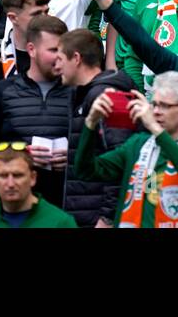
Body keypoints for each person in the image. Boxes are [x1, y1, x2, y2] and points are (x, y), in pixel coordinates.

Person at [76, 71, 178, 228]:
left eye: (165, 106)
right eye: (154, 104)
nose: (156, 111)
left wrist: (156, 130)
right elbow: (85, 170)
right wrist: (91, 123)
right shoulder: (138, 144)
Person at [0, 14, 71, 205]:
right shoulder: (4, 91)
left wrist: (73, 156)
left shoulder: (78, 92)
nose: (60, 57)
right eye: (53, 50)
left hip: (66, 206)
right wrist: (20, 153)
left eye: (64, 50)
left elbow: (96, 151)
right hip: (13, 204)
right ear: (31, 49)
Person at [57, 26, 137, 227]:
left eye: (60, 59)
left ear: (76, 58)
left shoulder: (106, 96)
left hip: (97, 217)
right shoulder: (85, 94)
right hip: (85, 211)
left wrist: (107, 218)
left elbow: (123, 161)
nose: (57, 67)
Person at [0, 144, 78, 228]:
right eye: (3, 176)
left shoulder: (60, 223)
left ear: (33, 178)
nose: (10, 184)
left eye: (18, 175)